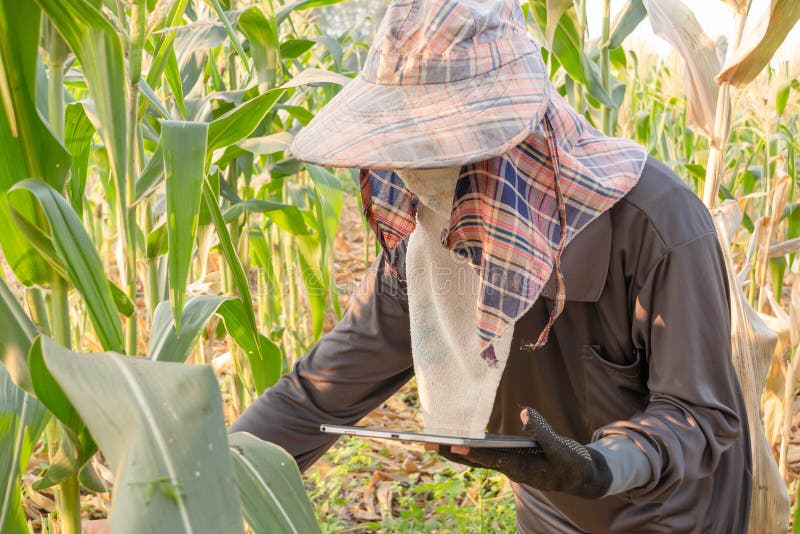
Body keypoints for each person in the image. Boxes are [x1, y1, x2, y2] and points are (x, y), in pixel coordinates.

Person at [229, 0, 753, 531]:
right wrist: (203, 469)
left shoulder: (657, 225)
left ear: (514, 139)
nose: (412, 173)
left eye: (433, 148)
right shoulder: (428, 240)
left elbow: (698, 415)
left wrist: (601, 466)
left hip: (669, 514)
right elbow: (319, 391)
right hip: (547, 508)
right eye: (402, 148)